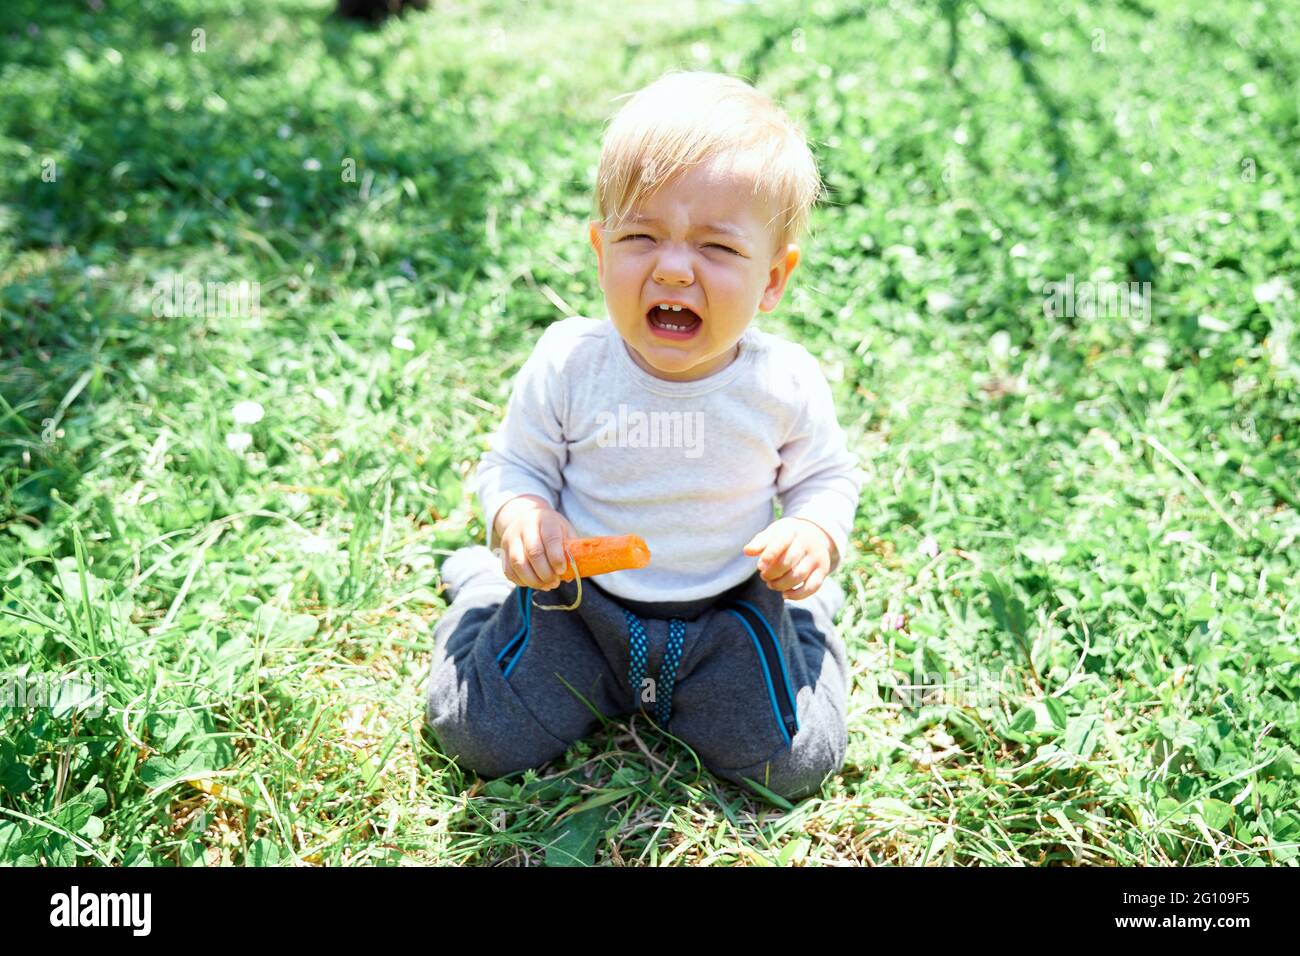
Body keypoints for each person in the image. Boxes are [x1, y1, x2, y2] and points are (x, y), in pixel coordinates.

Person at [426, 70, 865, 800]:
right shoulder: (570, 363)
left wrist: (815, 531)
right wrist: (520, 514)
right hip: (577, 600)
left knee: (792, 764)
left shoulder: (781, 382)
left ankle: (807, 621)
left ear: (772, 278)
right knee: (479, 734)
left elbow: (827, 477)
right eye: (641, 236)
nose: (673, 269)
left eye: (717, 248)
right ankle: (480, 592)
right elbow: (514, 465)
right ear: (601, 252)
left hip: (727, 609)